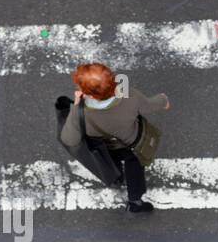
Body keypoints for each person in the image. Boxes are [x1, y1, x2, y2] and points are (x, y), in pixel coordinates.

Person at [56, 62, 170, 213]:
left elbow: (69, 139)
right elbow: (148, 106)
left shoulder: (81, 113)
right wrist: (163, 100)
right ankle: (135, 201)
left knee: (110, 162)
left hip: (104, 147)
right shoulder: (130, 96)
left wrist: (76, 105)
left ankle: (116, 178)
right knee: (134, 166)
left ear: (88, 94)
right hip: (131, 144)